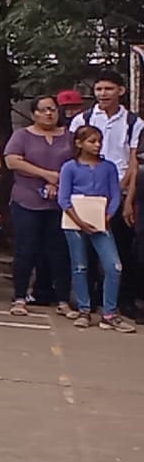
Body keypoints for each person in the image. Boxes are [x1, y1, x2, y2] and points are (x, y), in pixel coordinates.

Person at [69, 71, 144, 318]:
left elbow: (133, 160)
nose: (103, 94)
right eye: (99, 89)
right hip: (86, 194)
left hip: (119, 191)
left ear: (121, 91)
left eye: (108, 89)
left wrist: (126, 196)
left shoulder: (133, 122)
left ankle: (123, 301)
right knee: (86, 248)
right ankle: (87, 300)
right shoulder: (83, 119)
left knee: (121, 249)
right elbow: (73, 155)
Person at [5, 96, 74, 316]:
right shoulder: (22, 135)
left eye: (52, 109)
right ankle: (19, 297)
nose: (49, 114)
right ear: (34, 113)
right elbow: (12, 161)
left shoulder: (69, 136)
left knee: (59, 251)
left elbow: (76, 163)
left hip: (60, 202)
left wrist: (58, 182)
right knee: (26, 250)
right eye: (43, 110)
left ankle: (63, 299)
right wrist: (46, 175)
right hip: (27, 199)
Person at [60, 125, 132, 331]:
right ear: (79, 143)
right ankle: (84, 309)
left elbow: (115, 194)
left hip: (101, 221)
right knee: (80, 265)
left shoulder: (108, 167)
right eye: (92, 141)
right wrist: (80, 221)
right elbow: (64, 199)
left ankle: (109, 312)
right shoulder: (70, 167)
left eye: (99, 141)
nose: (97, 145)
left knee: (114, 266)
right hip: (75, 221)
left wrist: (108, 216)